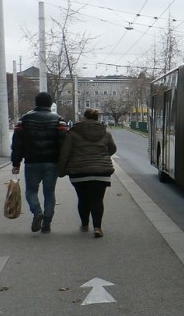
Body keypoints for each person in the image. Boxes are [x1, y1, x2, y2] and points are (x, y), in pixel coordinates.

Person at [11, 91, 69, 233]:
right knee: (49, 192)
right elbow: (64, 143)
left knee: (31, 191)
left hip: (32, 162)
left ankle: (37, 212)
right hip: (52, 162)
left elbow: (17, 143)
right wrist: (64, 162)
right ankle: (47, 224)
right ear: (50, 104)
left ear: (36, 103)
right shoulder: (59, 120)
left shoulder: (24, 120)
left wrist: (16, 163)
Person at [57, 108, 116, 238]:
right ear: (97, 118)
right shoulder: (105, 133)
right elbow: (112, 149)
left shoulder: (73, 132)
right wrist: (101, 157)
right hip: (101, 172)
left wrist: (61, 170)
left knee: (83, 198)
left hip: (79, 171)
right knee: (98, 199)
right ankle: (97, 228)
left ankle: (84, 225)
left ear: (84, 118)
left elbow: (65, 153)